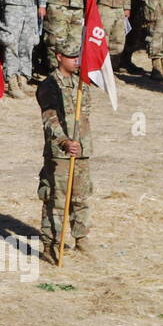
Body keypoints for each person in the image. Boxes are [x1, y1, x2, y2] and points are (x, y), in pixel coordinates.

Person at [36, 40, 94, 259]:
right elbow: (49, 119)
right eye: (71, 57)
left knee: (81, 196)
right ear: (59, 56)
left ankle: (81, 238)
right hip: (60, 153)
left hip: (81, 150)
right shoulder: (49, 85)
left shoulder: (81, 84)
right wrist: (64, 141)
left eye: (78, 57)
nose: (76, 61)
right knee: (56, 199)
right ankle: (51, 244)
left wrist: (80, 144)